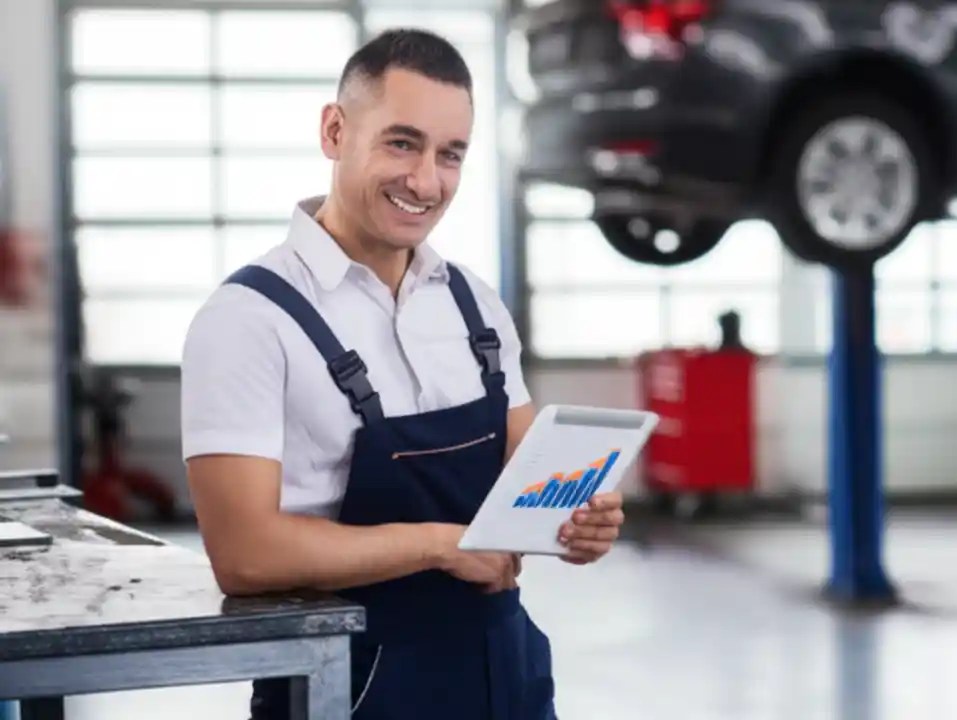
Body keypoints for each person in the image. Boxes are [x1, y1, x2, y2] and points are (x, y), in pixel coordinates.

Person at [180, 29, 626, 720]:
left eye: (450, 155)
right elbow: (244, 554)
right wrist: (439, 547)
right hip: (343, 685)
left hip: (504, 675)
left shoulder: (475, 305)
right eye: (401, 143)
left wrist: (578, 521)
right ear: (335, 130)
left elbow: (528, 491)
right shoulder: (246, 320)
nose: (426, 181)